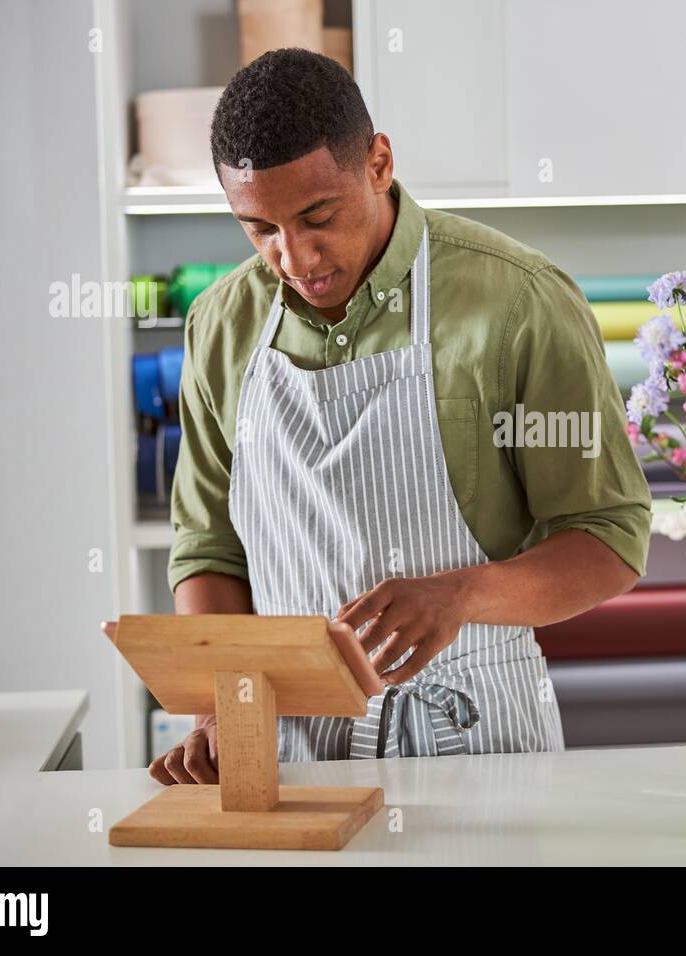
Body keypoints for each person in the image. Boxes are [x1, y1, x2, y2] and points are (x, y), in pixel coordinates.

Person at [147, 48, 651, 784]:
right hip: (288, 757)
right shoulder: (221, 324)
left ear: (378, 163)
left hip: (482, 738)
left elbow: (609, 537)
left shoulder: (517, 300)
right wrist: (225, 703)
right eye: (260, 230)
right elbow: (209, 551)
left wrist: (463, 594)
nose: (296, 256)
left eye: (319, 215)